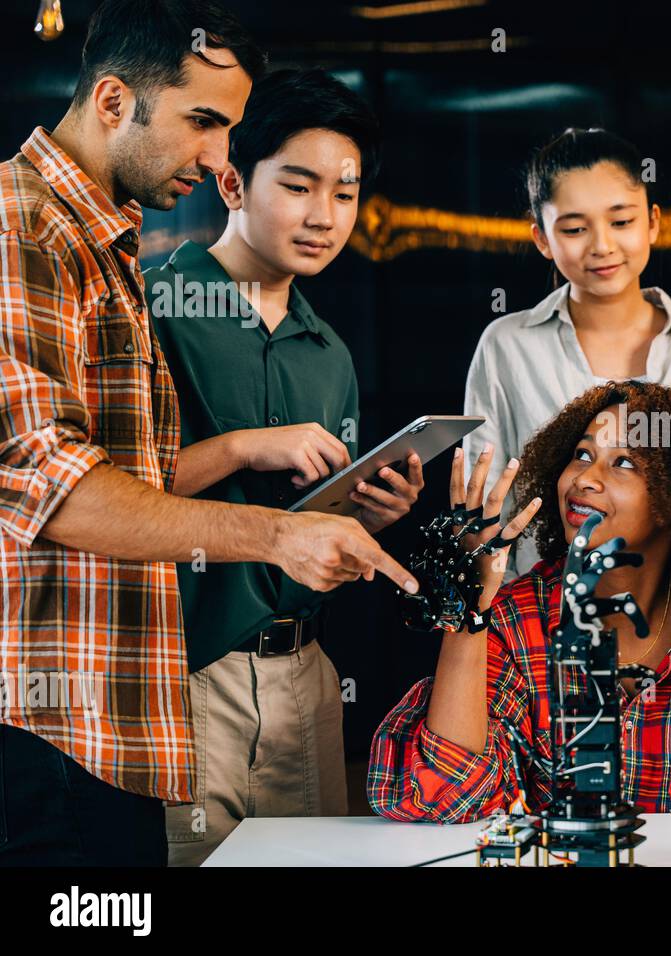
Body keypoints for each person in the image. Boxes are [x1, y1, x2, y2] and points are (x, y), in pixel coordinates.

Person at [0, 0, 415, 867]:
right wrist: (277, 527)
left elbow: (136, 483)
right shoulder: (22, 224)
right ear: (114, 101)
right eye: (205, 123)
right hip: (55, 722)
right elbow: (52, 486)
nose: (221, 157)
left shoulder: (101, 246)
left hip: (117, 713)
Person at [145, 68, 421, 865]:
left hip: (308, 676)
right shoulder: (156, 309)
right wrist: (242, 447)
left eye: (345, 191)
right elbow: (96, 494)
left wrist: (369, 512)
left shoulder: (328, 350)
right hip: (189, 678)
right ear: (232, 180)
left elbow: (308, 535)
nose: (325, 217)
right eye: (298, 187)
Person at [369, 382, 671, 823]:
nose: (585, 479)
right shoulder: (517, 619)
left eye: (624, 463)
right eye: (582, 455)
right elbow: (444, 796)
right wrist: (468, 613)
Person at [463, 128, 671, 578]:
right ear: (542, 238)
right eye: (574, 228)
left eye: (621, 221)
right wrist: (509, 618)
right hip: (543, 621)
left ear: (653, 222)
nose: (602, 245)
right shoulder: (507, 345)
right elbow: (484, 506)